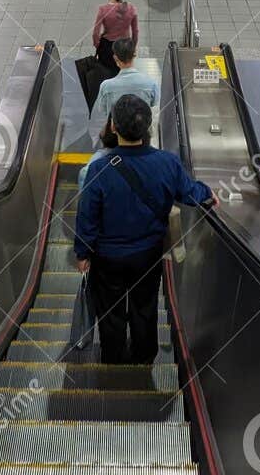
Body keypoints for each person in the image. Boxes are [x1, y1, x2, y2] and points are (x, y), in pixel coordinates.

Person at [74, 96, 213, 364]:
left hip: (107, 257)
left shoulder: (99, 169)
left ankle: (113, 356)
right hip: (147, 255)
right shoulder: (167, 163)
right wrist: (208, 192)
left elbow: (87, 216)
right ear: (148, 127)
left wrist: (83, 252)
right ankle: (144, 355)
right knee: (144, 304)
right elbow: (189, 193)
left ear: (113, 127)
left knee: (111, 309)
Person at [87, 37, 160, 142]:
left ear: (115, 58)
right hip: (142, 132)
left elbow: (103, 109)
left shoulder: (106, 86)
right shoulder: (151, 83)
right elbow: (153, 103)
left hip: (117, 134)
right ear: (135, 54)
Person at [90, 0, 139, 68]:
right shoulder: (131, 9)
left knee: (105, 71)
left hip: (107, 46)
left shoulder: (103, 10)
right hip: (125, 45)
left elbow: (95, 33)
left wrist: (98, 46)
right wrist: (132, 47)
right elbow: (135, 32)